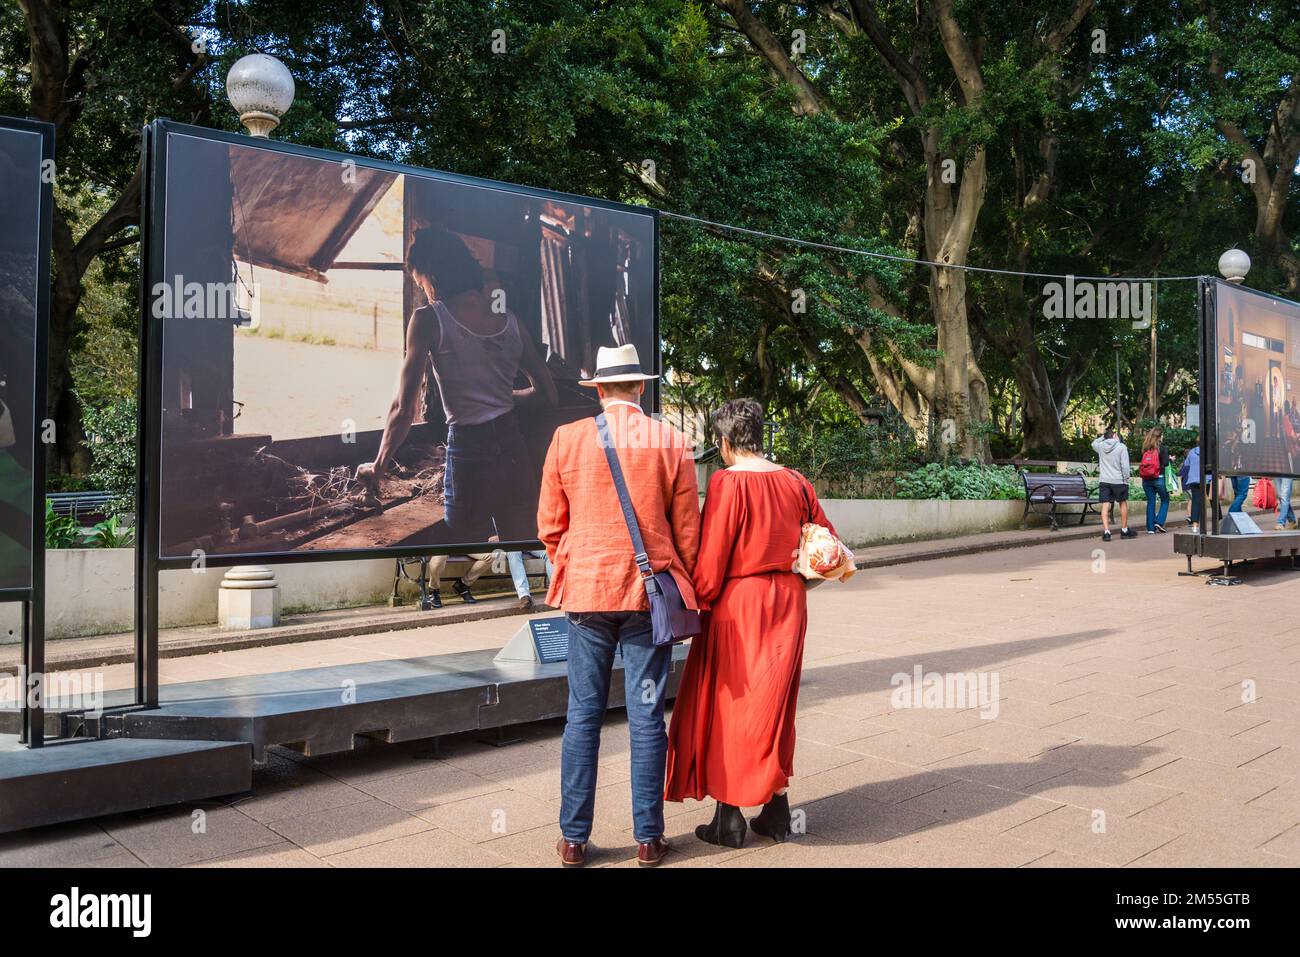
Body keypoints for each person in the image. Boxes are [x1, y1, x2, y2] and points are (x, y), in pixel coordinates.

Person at [537, 343, 700, 869]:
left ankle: (573, 841)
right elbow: (689, 532)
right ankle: (649, 839)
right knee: (647, 716)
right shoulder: (671, 441)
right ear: (641, 387)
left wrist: (576, 562)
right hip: (645, 597)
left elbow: (549, 526)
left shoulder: (567, 439)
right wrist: (679, 578)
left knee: (582, 716)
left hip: (586, 595)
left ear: (600, 389)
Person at [665, 398, 843, 849]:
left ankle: (729, 818)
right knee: (776, 704)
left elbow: (711, 565)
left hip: (738, 603)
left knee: (733, 705)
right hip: (788, 600)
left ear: (724, 444)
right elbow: (827, 542)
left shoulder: (726, 485)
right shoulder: (796, 481)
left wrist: (692, 600)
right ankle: (777, 811)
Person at [357, 227, 558, 543]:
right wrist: (504, 399)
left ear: (433, 274)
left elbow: (404, 408)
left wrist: (378, 467)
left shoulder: (428, 320)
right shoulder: (511, 319)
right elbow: (549, 395)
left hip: (469, 452)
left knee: (462, 549)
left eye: (422, 282)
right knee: (520, 545)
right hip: (513, 448)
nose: (425, 292)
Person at [1092, 428, 1135, 542]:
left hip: (1104, 480)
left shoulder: (1100, 447)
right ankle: (1124, 530)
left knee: (1105, 505)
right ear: (1115, 435)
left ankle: (1107, 532)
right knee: (1123, 503)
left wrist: (1103, 437)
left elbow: (1093, 443)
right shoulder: (1121, 447)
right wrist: (1126, 478)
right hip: (1118, 480)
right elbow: (1125, 466)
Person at [1138, 427, 1171, 534]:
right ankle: (1159, 521)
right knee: (1165, 500)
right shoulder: (1163, 448)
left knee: (1151, 502)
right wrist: (1170, 459)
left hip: (1146, 479)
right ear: (1160, 436)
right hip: (1159, 478)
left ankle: (1150, 528)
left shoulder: (1146, 448)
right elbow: (1165, 463)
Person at [1178, 441, 1207, 533]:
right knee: (1212, 501)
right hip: (1206, 479)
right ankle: (1218, 522)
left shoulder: (1191, 452)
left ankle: (1195, 525)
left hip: (1193, 479)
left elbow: (1186, 464)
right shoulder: (1208, 452)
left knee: (1195, 502)